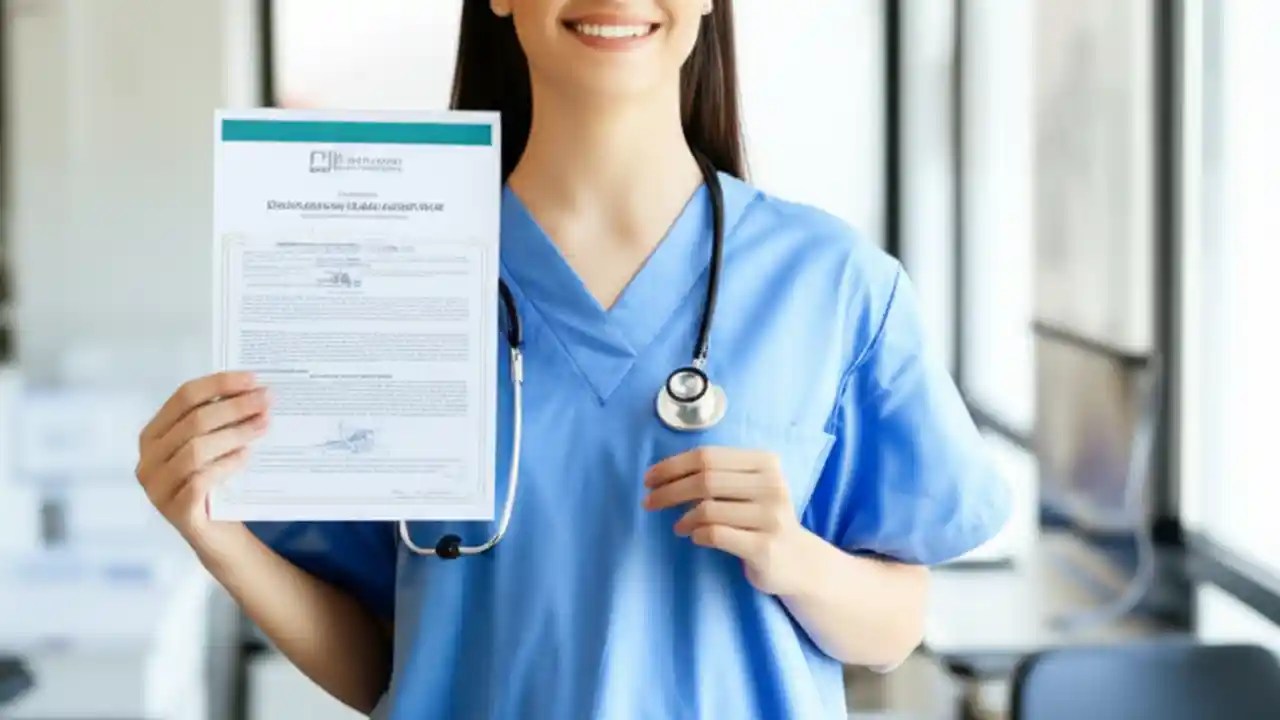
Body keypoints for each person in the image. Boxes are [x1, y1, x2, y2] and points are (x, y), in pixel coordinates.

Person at [135, 1, 1011, 718]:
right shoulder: (389, 278)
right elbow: (389, 668)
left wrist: (794, 557)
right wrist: (215, 534)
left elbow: (897, 625)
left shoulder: (832, 283)